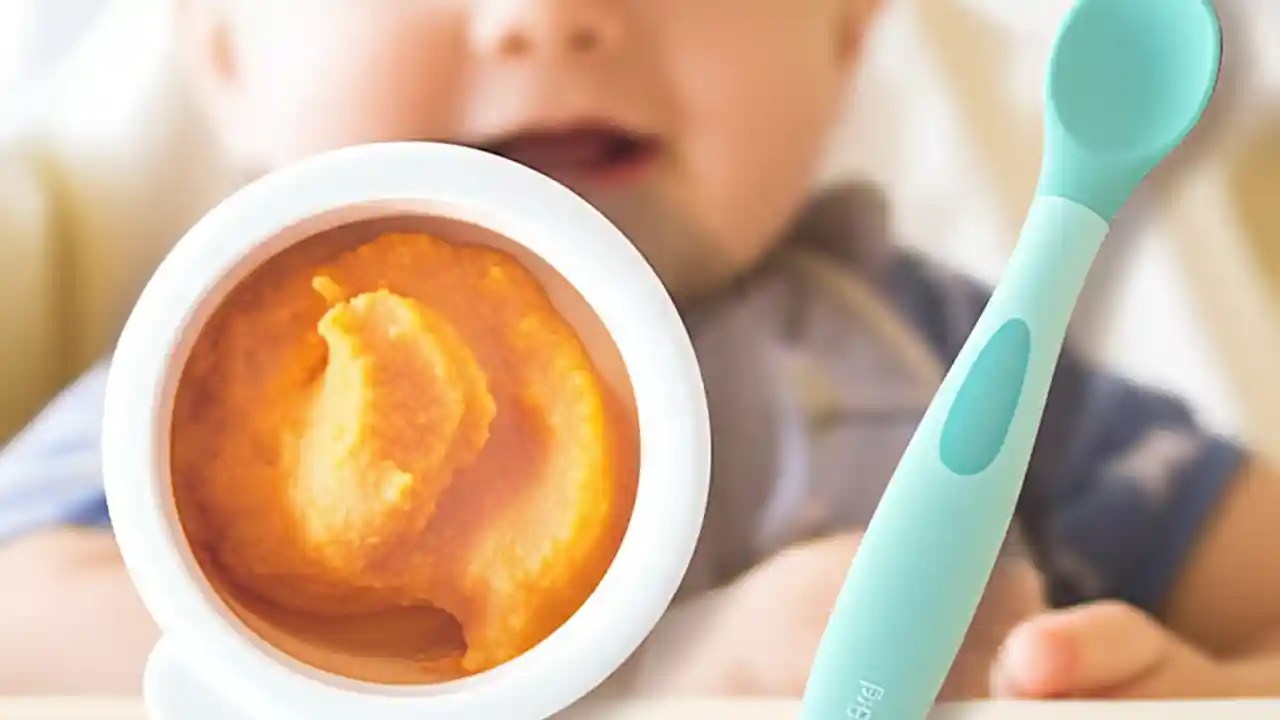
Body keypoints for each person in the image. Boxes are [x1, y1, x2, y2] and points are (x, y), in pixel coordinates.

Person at [3, 0, 1279, 700]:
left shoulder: (959, 350)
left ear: (843, 33)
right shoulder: (204, 380)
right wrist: (653, 682)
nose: (550, 17)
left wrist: (1199, 692)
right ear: (228, 58)